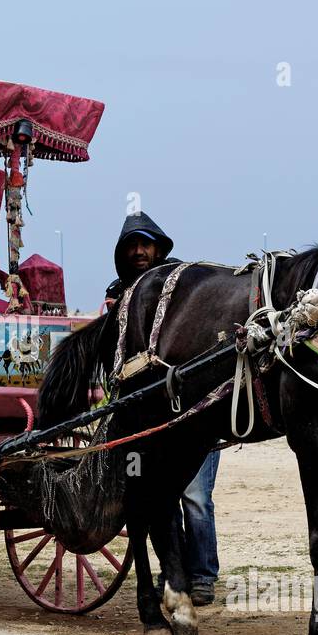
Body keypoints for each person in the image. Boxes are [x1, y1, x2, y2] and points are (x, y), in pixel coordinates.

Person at [104, 211, 220, 607]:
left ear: (158, 248)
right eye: (132, 245)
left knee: (196, 497)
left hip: (193, 408)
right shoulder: (118, 295)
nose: (139, 251)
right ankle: (176, 572)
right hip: (145, 415)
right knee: (159, 496)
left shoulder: (183, 292)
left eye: (145, 244)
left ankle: (202, 575)